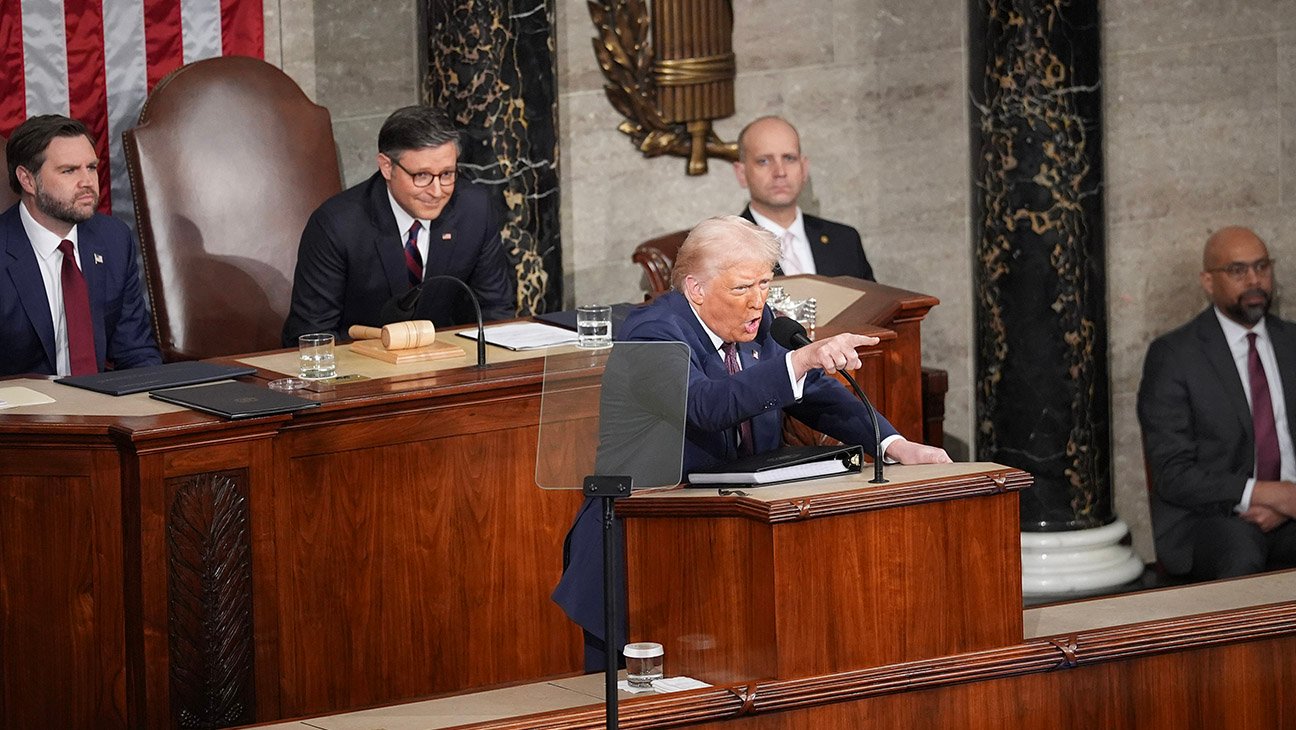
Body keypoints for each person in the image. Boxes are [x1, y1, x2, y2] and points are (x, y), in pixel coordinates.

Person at [552, 215, 949, 669]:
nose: (759, 302)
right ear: (696, 290)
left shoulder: (761, 326)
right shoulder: (652, 333)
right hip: (636, 553)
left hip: (724, 545)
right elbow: (707, 405)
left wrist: (895, 445)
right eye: (743, 288)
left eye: (765, 283)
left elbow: (818, 394)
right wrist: (798, 362)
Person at [1138, 226, 1296, 580]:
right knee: (1240, 549)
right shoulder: (1175, 356)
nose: (1255, 280)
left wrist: (1287, 503)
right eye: (1238, 271)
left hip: (1292, 507)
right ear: (1208, 282)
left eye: (1262, 267)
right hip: (1211, 518)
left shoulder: (1292, 343)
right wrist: (1268, 493)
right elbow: (1173, 473)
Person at [282, 105, 515, 345]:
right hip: (362, 369)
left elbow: (495, 311)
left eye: (447, 174)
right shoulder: (337, 225)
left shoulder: (473, 210)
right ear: (387, 166)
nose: (436, 191)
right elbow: (311, 335)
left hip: (446, 365)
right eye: (421, 176)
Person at [1, 115, 161, 376]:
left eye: (91, 167)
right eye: (69, 170)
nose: (87, 182)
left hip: (102, 408)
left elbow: (135, 351)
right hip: (21, 412)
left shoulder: (114, 240)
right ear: (27, 180)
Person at [733, 115, 874, 281]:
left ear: (804, 168)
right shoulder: (725, 248)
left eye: (789, 158)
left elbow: (877, 306)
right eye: (764, 161)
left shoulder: (844, 241)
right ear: (741, 173)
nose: (780, 172)